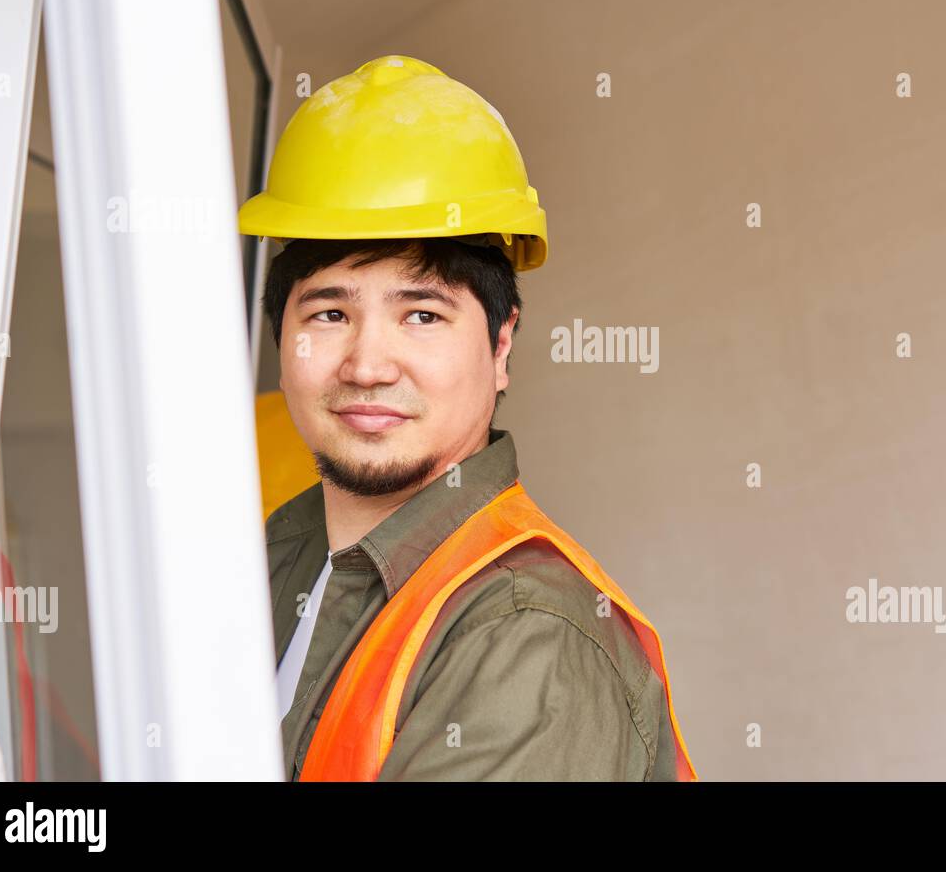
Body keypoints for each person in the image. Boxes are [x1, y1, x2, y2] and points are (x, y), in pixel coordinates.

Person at [240, 55, 697, 781]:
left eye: (421, 314)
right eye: (330, 313)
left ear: (501, 344)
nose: (367, 365)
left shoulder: (525, 632)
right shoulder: (268, 560)